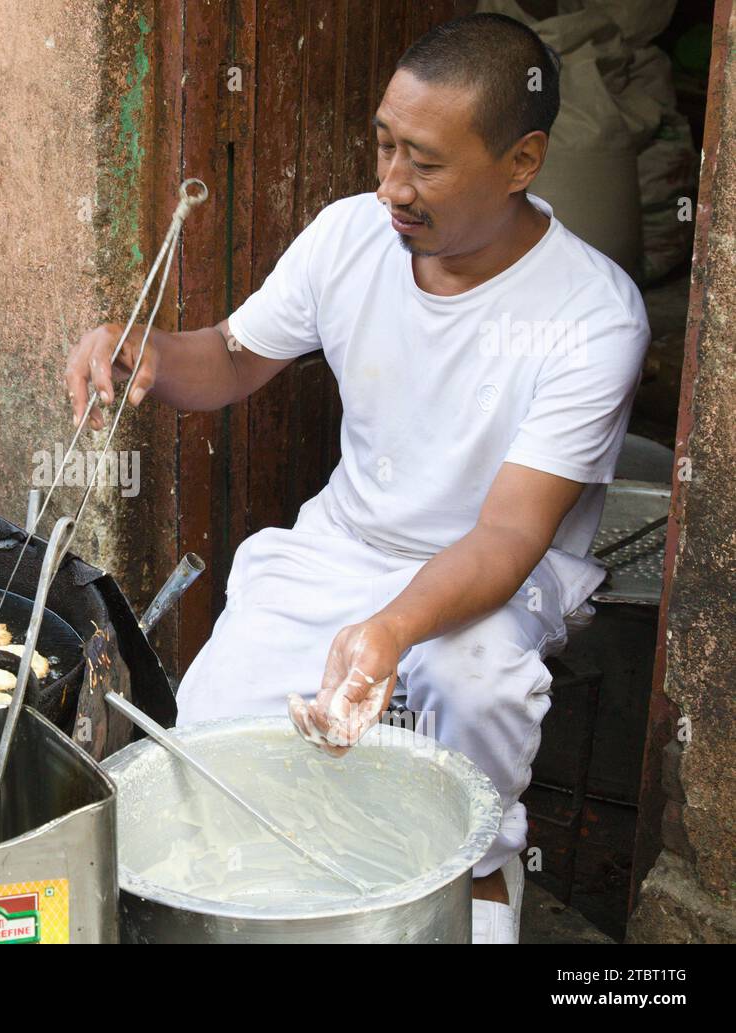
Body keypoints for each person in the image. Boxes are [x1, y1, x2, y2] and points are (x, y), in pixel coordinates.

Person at [64, 13, 649, 943]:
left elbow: (505, 536)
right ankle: (267, 905)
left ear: (522, 161)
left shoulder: (593, 318)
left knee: (470, 687)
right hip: (343, 545)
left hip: (498, 576)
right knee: (208, 740)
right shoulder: (350, 236)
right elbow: (229, 355)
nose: (390, 187)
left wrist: (389, 634)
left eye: (424, 162)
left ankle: (479, 891)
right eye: (383, 146)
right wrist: (146, 355)